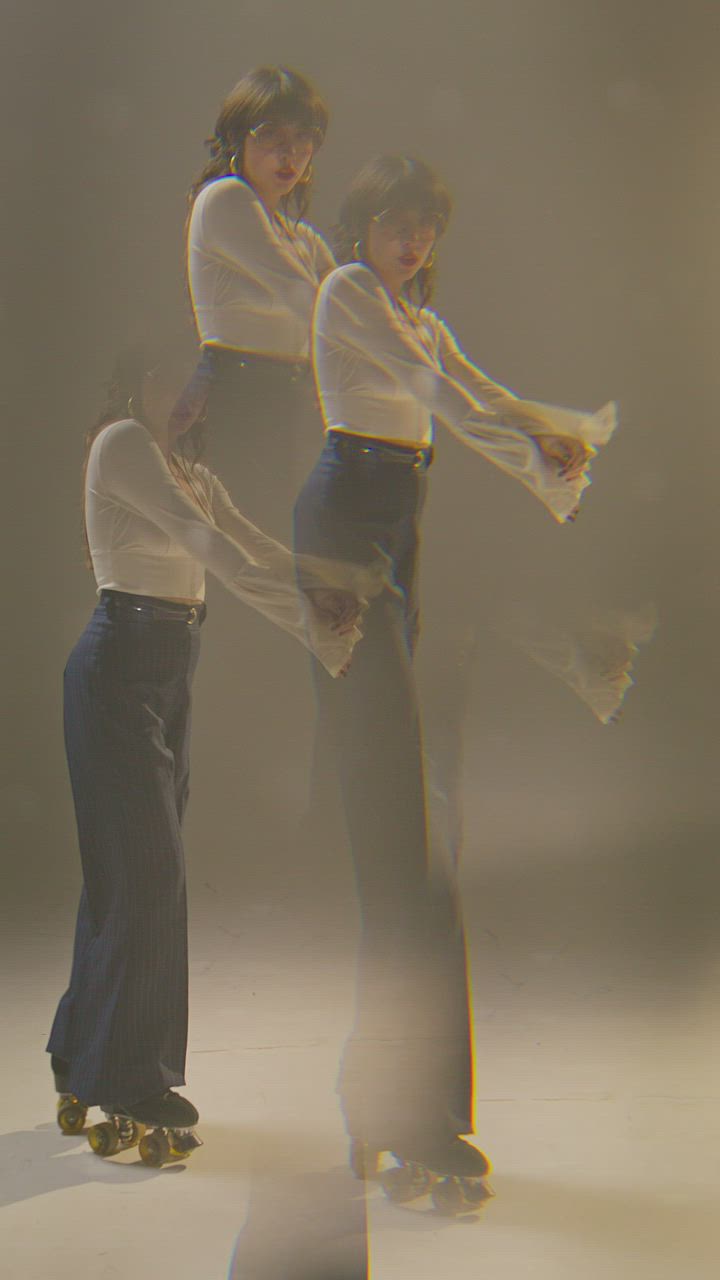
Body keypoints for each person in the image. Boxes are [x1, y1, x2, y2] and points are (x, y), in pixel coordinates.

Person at [294, 155, 615, 1207]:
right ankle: (402, 1109)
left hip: (393, 538)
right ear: (365, 226)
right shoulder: (349, 294)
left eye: (427, 229)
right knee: (404, 846)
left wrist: (549, 449)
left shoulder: (418, 315)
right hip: (344, 541)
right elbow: (441, 398)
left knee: (413, 845)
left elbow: (468, 389)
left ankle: (392, 1103)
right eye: (398, 224)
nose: (413, 243)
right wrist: (538, 437)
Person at [47, 340, 369, 1166]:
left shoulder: (189, 467)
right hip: (121, 664)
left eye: (197, 385)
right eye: (171, 379)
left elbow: (252, 543)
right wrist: (310, 618)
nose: (189, 397)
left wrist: (325, 583)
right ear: (135, 381)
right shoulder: (121, 443)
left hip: (167, 669)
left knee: (130, 869)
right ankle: (130, 1077)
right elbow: (208, 548)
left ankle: (79, 1048)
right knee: (148, 871)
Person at [186, 65, 334, 536]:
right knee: (249, 546)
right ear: (237, 137)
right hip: (238, 395)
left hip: (288, 396)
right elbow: (312, 303)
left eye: (303, 137)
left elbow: (354, 314)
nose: (289, 153)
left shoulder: (304, 239)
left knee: (287, 548)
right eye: (270, 134)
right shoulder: (224, 199)